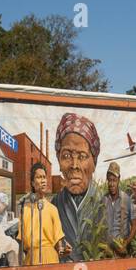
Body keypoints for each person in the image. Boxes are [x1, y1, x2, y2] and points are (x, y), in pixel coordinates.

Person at [52, 112, 102, 261]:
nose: (74, 166)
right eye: (66, 156)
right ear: (59, 161)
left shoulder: (103, 204)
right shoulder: (53, 206)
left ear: (94, 163)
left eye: (82, 156)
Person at [18, 161, 64, 265]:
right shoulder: (24, 210)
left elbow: (59, 244)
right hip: (31, 258)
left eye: (44, 177)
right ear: (33, 183)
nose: (43, 180)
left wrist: (63, 249)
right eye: (39, 177)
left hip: (50, 258)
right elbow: (22, 243)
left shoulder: (53, 209)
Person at [101, 161, 136, 257]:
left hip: (121, 251)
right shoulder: (103, 200)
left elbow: (134, 225)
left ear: (119, 180)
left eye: (114, 180)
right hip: (107, 252)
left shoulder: (126, 199)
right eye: (109, 180)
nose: (112, 184)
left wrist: (126, 242)